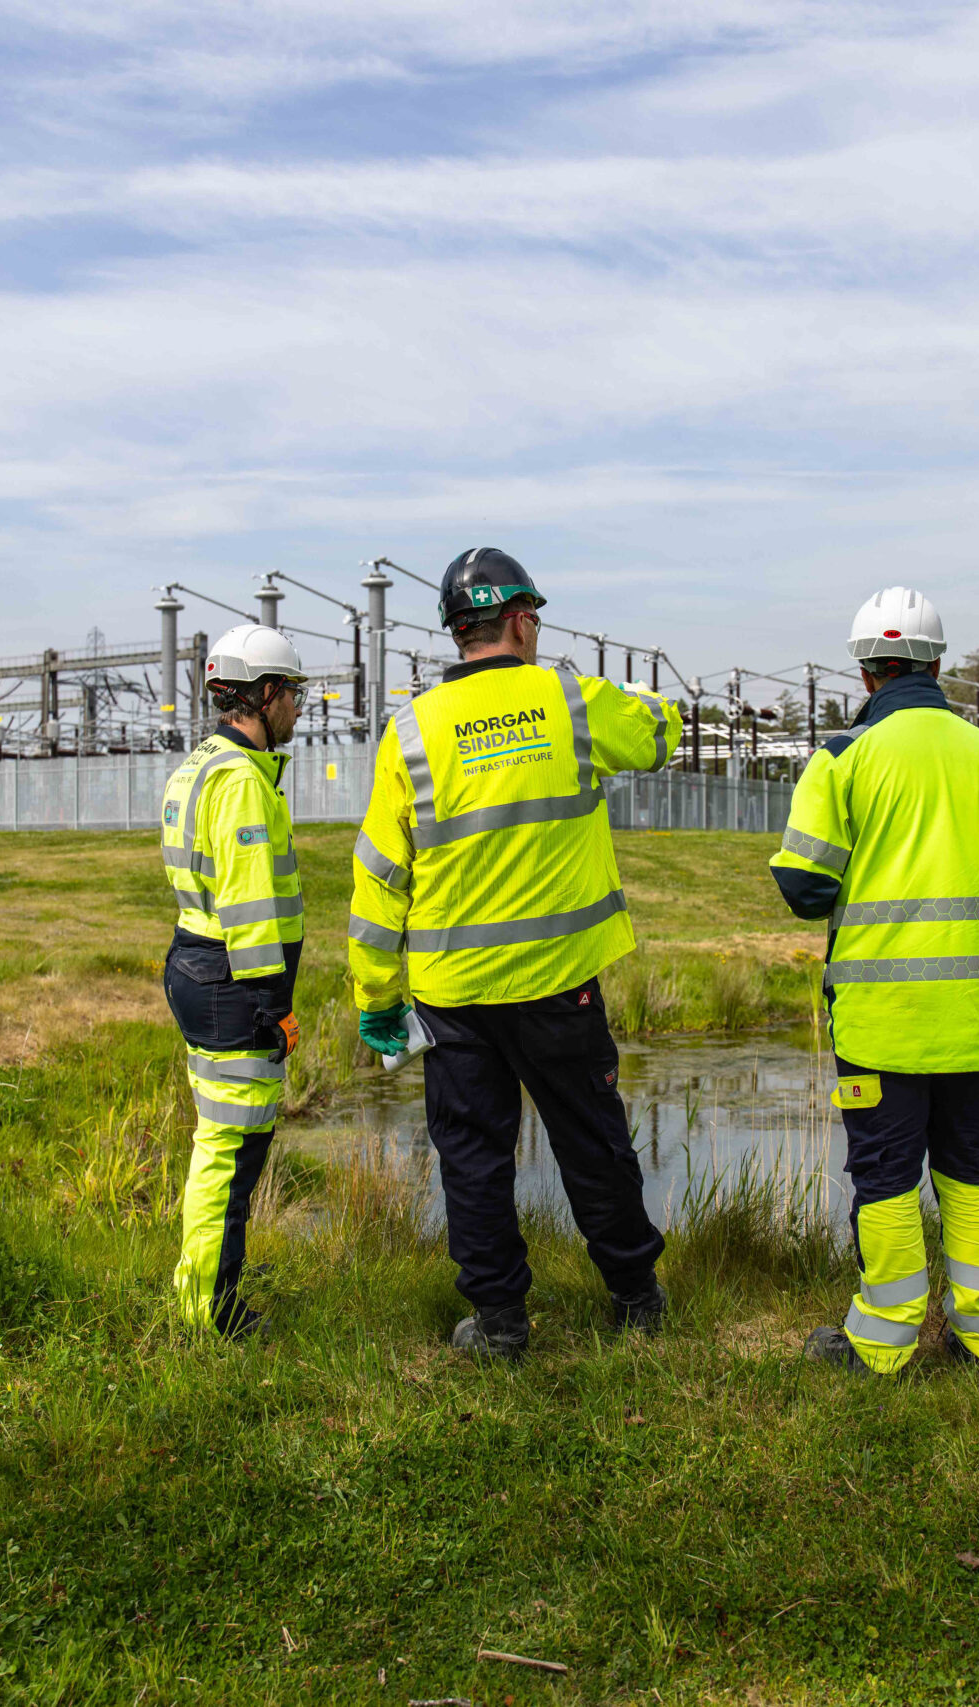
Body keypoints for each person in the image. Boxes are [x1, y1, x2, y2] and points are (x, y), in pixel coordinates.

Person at [347, 547, 686, 1359]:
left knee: (472, 1157)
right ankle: (636, 1299)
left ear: (457, 631)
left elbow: (377, 882)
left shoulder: (411, 732)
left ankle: (500, 1323)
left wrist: (377, 1000)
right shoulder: (570, 699)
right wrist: (652, 709)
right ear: (523, 619)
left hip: (452, 993)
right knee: (592, 1141)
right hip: (557, 982)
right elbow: (657, 736)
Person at [768, 587, 979, 1376]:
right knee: (972, 1166)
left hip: (881, 1017)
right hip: (970, 1015)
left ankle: (882, 1348)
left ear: (865, 671)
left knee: (884, 1177)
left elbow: (803, 887)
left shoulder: (843, 759)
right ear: (938, 662)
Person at [159, 623, 309, 1338]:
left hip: (194, 962)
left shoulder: (197, 766)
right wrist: (271, 1005)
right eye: (294, 695)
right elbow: (252, 911)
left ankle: (200, 1293)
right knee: (233, 1152)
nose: (299, 710)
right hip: (232, 980)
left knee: (217, 1143)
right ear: (267, 694)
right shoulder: (244, 782)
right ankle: (208, 1311)